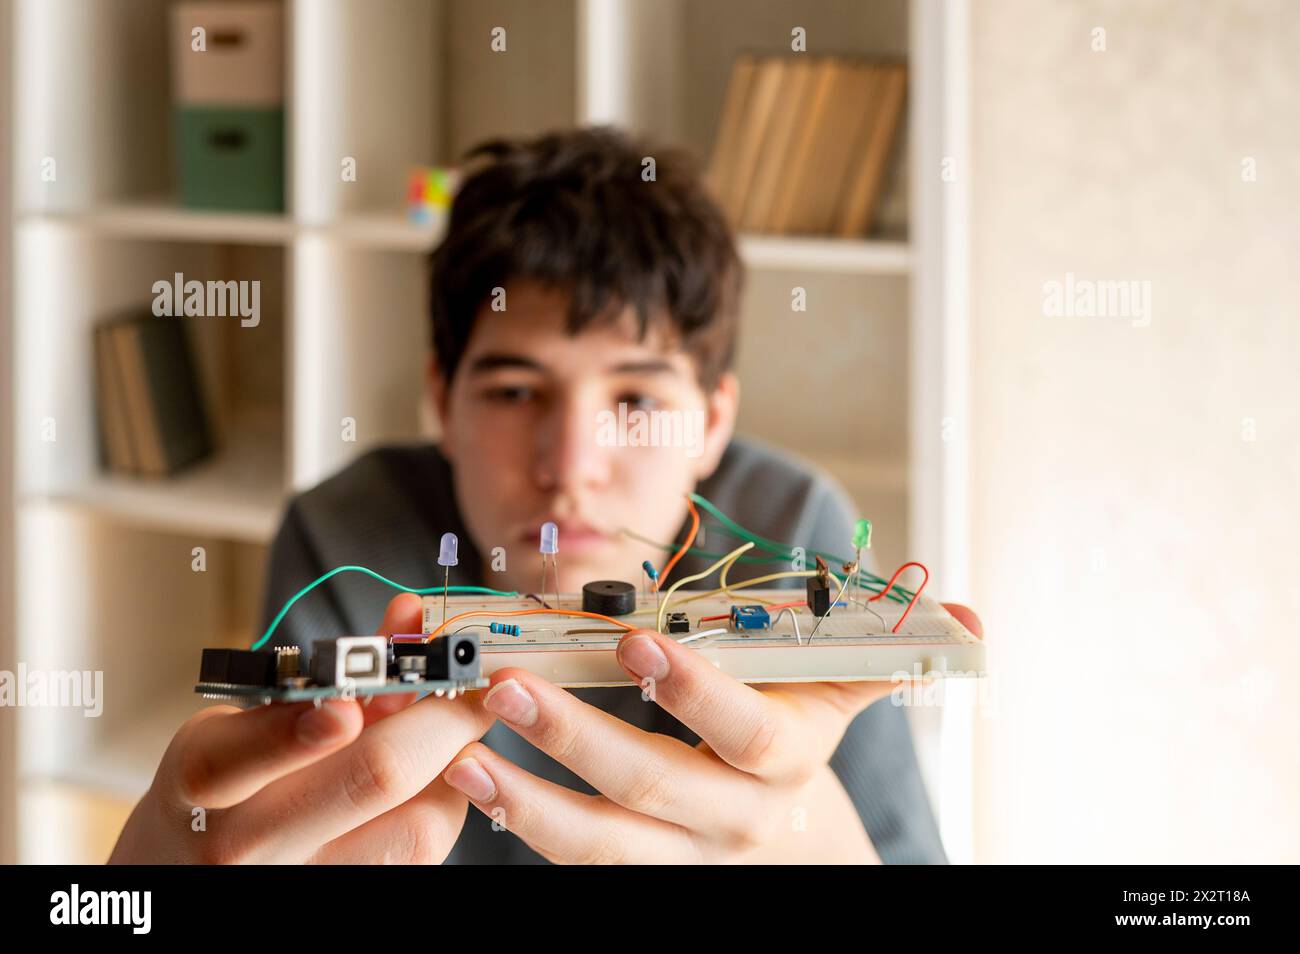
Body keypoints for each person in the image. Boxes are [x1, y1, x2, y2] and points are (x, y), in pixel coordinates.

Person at [110, 127, 979, 864]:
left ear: (713, 422)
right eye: (516, 391)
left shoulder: (793, 532)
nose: (570, 465)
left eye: (635, 400)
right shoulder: (343, 536)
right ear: (440, 400)